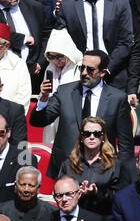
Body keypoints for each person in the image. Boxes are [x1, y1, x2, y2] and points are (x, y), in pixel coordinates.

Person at [29, 48, 134, 179]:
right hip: (67, 167)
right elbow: (38, 121)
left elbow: (125, 144)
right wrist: (43, 98)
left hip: (102, 170)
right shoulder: (64, 92)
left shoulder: (117, 98)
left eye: (90, 69)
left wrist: (123, 175)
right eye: (81, 68)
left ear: (102, 72)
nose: (84, 73)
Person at [59, 113, 129, 217]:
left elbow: (122, 198)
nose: (92, 137)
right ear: (81, 137)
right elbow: (60, 192)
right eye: (87, 134)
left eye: (97, 134)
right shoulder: (68, 164)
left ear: (103, 137)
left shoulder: (116, 165)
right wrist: (77, 193)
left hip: (104, 218)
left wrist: (97, 192)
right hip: (74, 218)